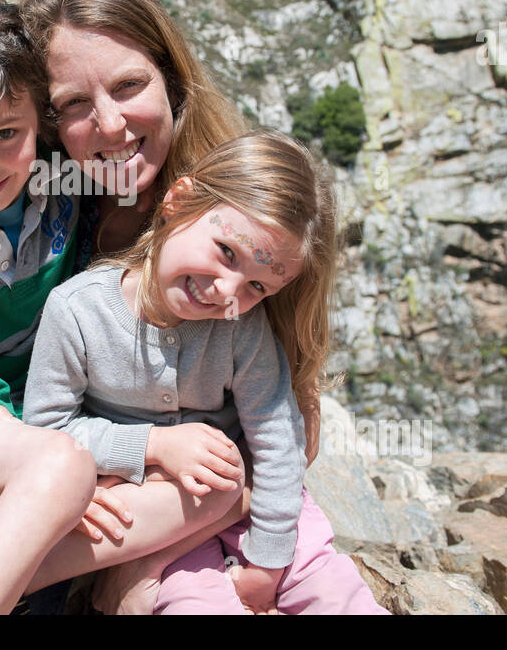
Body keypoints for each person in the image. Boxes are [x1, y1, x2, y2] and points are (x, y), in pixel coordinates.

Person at [0, 0, 331, 612]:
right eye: (74, 103)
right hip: (12, 435)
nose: (108, 124)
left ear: (172, 81)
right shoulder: (29, 179)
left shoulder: (228, 215)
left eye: (129, 86)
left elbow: (283, 416)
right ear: (47, 119)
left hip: (107, 460)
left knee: (221, 490)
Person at [24, 131, 387, 614]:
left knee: (333, 587)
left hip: (248, 503)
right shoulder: (77, 311)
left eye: (257, 284)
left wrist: (268, 563)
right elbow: (45, 435)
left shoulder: (243, 328)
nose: (227, 292)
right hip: (161, 509)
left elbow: (278, 441)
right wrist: (155, 445)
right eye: (226, 252)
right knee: (193, 601)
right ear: (179, 201)